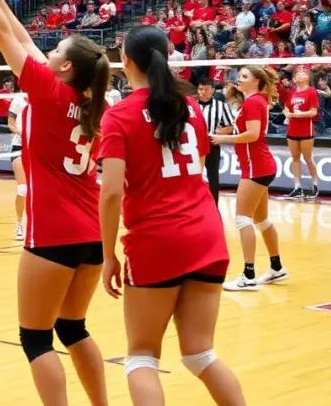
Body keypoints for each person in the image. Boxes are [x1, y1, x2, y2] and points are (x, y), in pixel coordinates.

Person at [0, 0, 109, 406]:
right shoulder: (90, 103)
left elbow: (5, 36)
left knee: (36, 339)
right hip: (92, 234)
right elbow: (21, 35)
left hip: (53, 233)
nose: (48, 49)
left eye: (57, 48)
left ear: (63, 67)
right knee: (73, 327)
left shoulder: (48, 91)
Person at [98, 25, 245, 406]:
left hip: (158, 240)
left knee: (142, 357)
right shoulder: (191, 106)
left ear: (124, 60)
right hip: (206, 233)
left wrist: (108, 255)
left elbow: (111, 191)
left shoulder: (120, 115)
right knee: (200, 354)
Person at [213, 65, 289, 290]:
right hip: (260, 165)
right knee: (261, 220)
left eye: (245, 76)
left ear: (256, 82)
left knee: (242, 219)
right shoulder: (254, 102)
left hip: (256, 167)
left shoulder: (254, 102)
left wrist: (221, 139)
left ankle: (248, 275)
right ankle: (276, 268)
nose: (239, 78)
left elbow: (253, 135)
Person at [283, 69, 320, 200]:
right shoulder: (291, 93)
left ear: (308, 78)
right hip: (292, 128)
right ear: (294, 79)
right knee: (295, 158)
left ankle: (315, 185)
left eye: (303, 73)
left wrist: (299, 114)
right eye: (297, 73)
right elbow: (286, 107)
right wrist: (287, 112)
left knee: (308, 158)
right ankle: (297, 187)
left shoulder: (311, 91)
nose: (299, 74)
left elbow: (313, 112)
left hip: (306, 129)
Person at [196, 79, 234, 205]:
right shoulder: (191, 105)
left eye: (206, 89)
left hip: (212, 143)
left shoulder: (221, 106)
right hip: (193, 146)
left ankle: (214, 207)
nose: (203, 92)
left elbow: (231, 127)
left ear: (212, 90)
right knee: (193, 177)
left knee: (213, 177)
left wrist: (220, 132)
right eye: (200, 89)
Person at [6, 85, 28, 240]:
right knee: (23, 188)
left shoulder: (43, 98)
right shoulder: (18, 100)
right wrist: (23, 134)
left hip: (37, 147)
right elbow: (10, 123)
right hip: (19, 145)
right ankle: (19, 223)